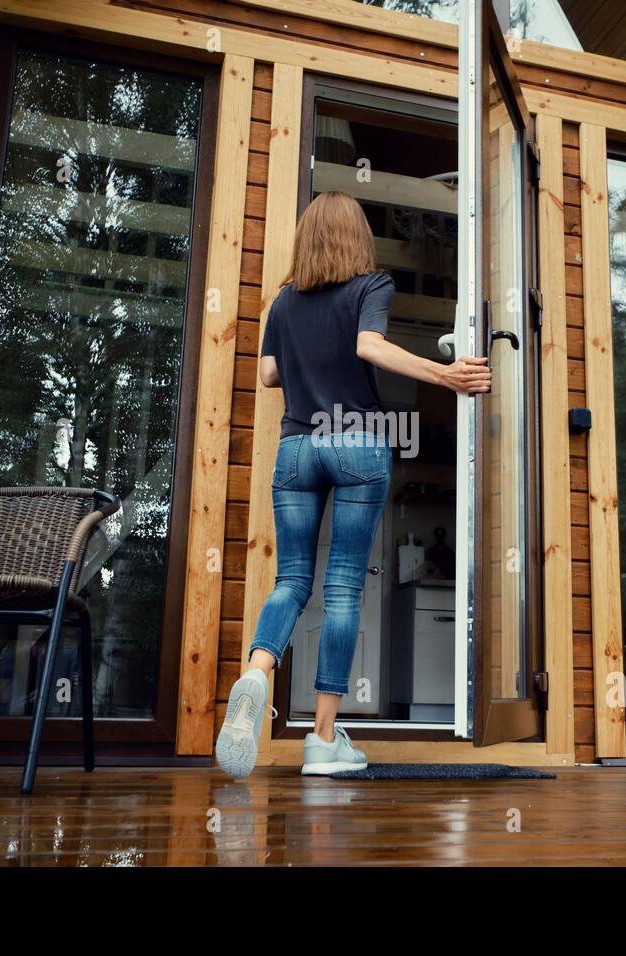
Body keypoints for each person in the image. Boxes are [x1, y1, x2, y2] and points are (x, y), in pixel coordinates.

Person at [214, 191, 492, 778]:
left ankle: (257, 672)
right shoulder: (373, 286)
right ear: (357, 237)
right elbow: (368, 344)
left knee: (291, 580)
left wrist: (303, 357)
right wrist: (444, 374)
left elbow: (267, 374)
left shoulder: (284, 300)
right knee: (341, 590)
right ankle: (321, 740)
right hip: (356, 443)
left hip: (296, 447)